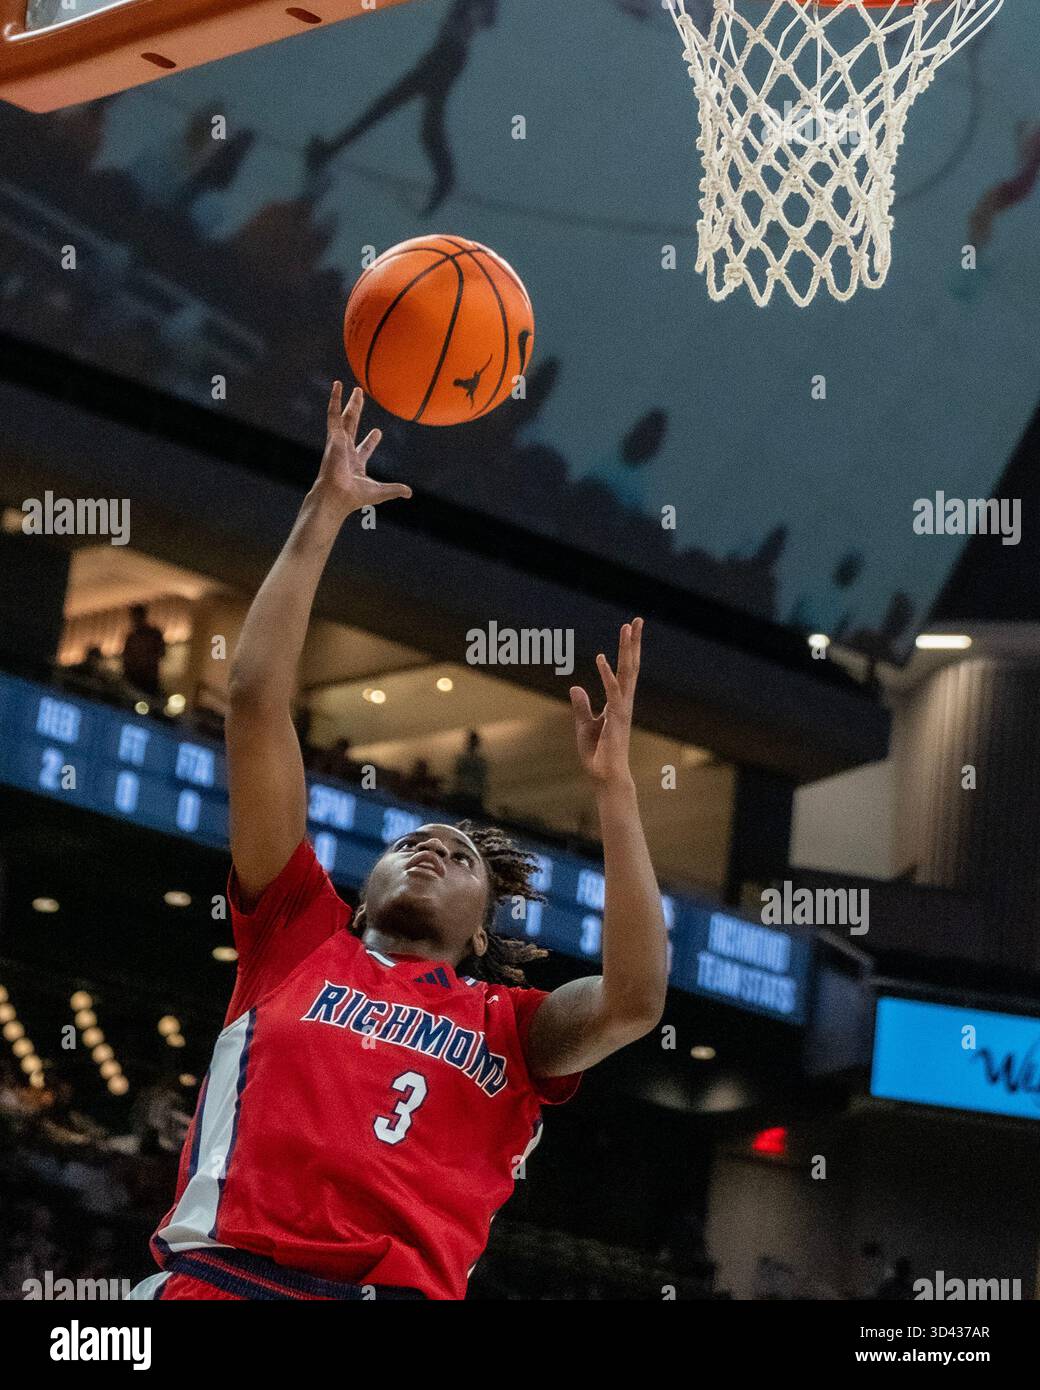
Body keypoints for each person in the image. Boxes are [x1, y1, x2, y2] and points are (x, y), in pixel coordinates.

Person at [127, 383, 667, 1302]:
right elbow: (256, 703)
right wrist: (322, 510)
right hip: (217, 1283)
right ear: (363, 884)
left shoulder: (514, 1030)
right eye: (411, 842)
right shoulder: (298, 935)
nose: (428, 851)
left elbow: (632, 1001)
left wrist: (615, 790)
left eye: (457, 857)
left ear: (485, 937)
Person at [120, 604, 166, 698]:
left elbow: (161, 652)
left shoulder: (153, 634)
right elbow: (126, 657)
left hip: (147, 679)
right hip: (133, 678)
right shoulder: (132, 637)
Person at [451, 730, 488, 814]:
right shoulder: (475, 760)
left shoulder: (477, 760)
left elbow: (458, 775)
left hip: (470, 793)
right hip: (467, 793)